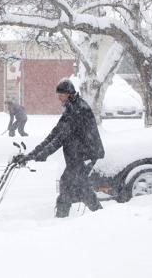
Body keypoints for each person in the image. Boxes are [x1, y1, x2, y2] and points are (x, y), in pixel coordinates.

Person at [13, 79, 104, 218]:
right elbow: (54, 134)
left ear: (68, 94)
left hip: (85, 156)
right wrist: (32, 154)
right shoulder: (70, 108)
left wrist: (43, 154)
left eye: (60, 94)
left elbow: (61, 138)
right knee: (81, 188)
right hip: (77, 156)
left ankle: (62, 219)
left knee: (67, 185)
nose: (58, 98)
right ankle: (101, 215)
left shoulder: (78, 109)